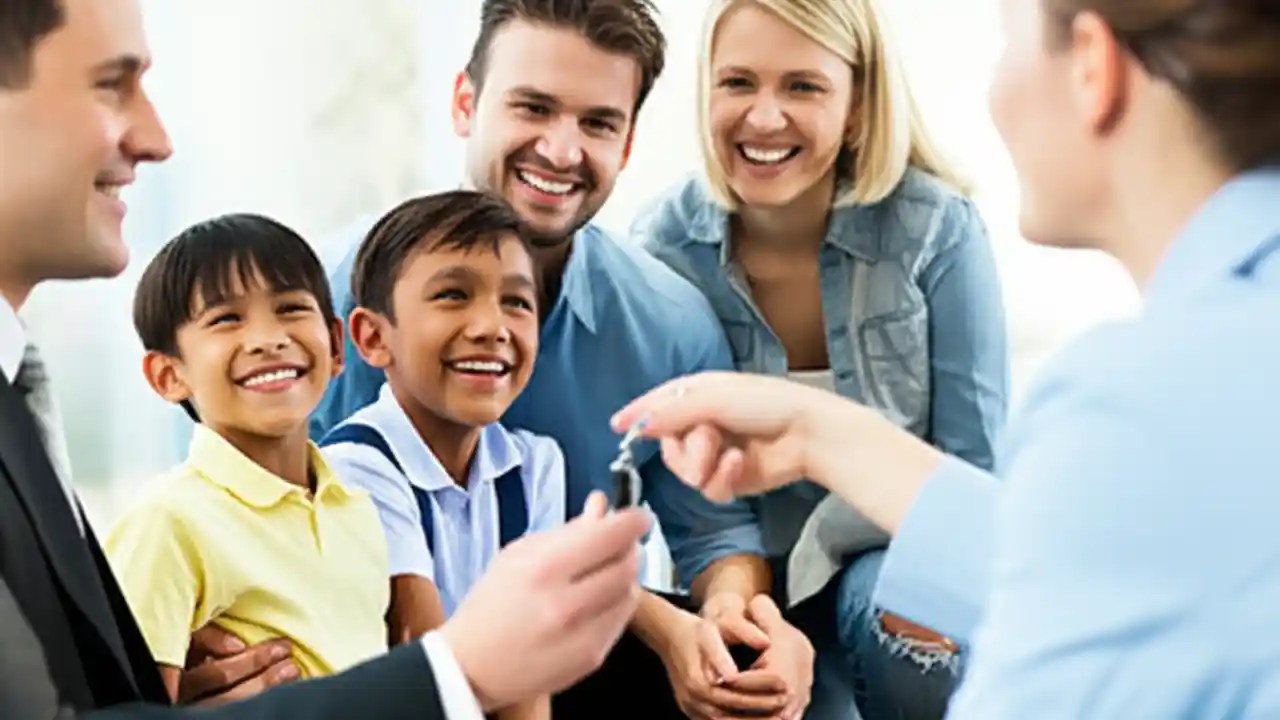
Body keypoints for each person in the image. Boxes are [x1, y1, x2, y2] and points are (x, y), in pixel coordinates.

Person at [613, 0, 1280, 717]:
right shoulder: (1224, 355)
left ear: (1094, 66)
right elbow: (1040, 559)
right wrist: (814, 435)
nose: (992, 95)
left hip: (881, 594)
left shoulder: (1122, 408)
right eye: (738, 82)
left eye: (1006, 42)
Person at [0, 0, 651, 717]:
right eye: (111, 83)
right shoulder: (179, 517)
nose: (156, 138)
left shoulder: (351, 502)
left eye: (291, 311)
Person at [312, 1, 814, 717]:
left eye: (597, 123)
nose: (560, 150)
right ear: (466, 103)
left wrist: (737, 627)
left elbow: (715, 535)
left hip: (582, 664)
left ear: (628, 143)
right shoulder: (333, 296)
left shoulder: (669, 326)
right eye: (533, 108)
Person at [630, 0, 1008, 715]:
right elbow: (682, 500)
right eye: (738, 82)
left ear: (859, 105)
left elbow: (972, 478)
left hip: (892, 585)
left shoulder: (936, 232)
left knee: (913, 611)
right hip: (738, 586)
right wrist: (742, 611)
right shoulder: (663, 250)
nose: (764, 118)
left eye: (803, 86)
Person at [102, 214, 392, 698]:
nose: (268, 338)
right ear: (168, 375)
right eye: (226, 319)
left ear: (337, 346)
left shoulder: (356, 508)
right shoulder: (167, 523)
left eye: (291, 308)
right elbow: (129, 710)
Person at [321, 191, 562, 720]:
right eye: (453, 295)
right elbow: (429, 665)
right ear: (372, 337)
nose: (491, 327)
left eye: (517, 302)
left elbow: (535, 661)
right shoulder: (354, 467)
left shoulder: (536, 466)